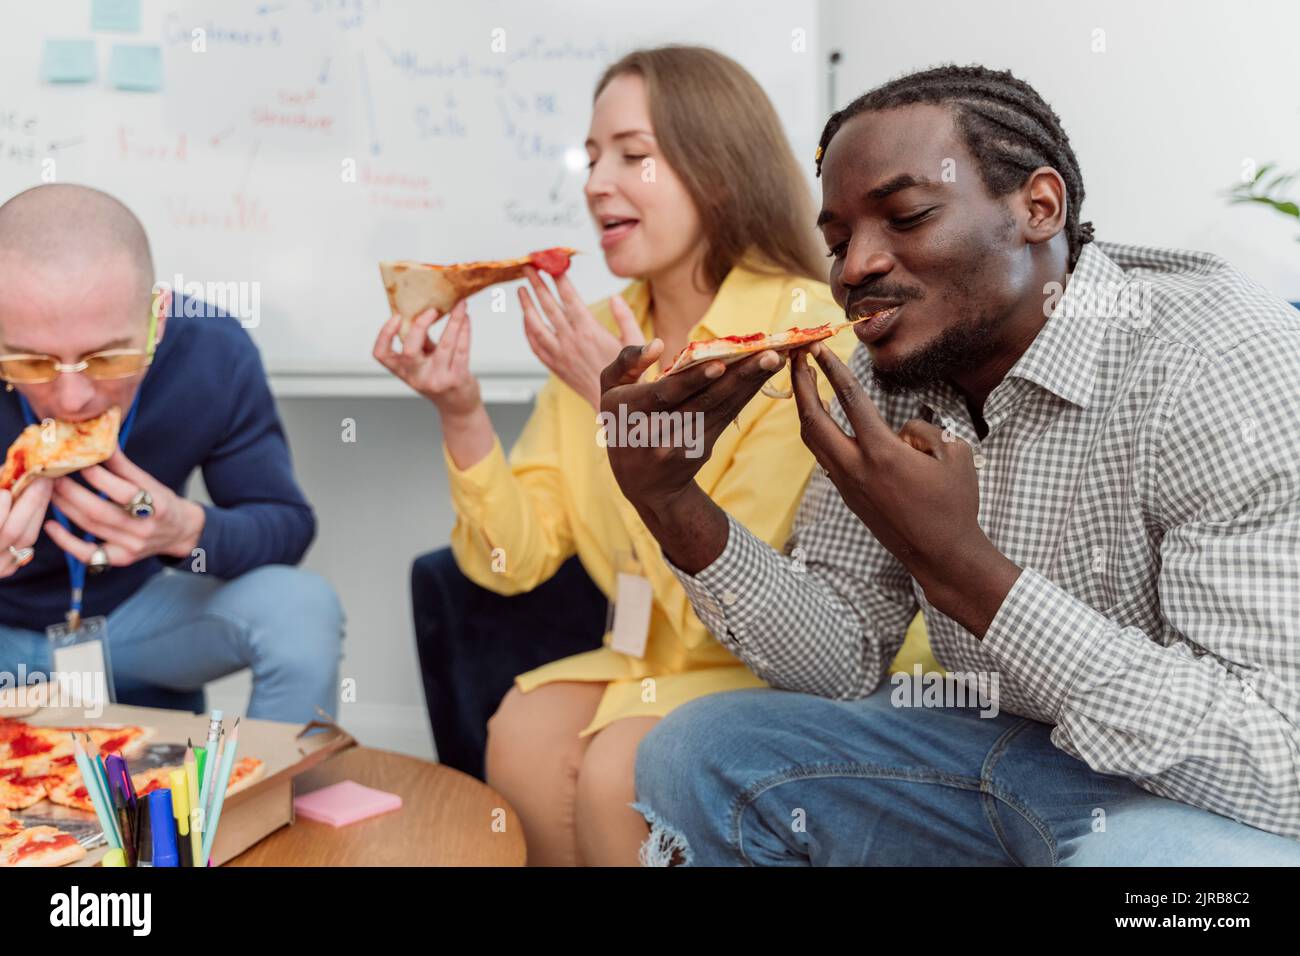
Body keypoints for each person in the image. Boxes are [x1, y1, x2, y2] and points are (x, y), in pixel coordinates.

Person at [599, 65, 1300, 865]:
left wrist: (964, 568)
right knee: (699, 749)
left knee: (1159, 875)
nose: (856, 266)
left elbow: (1278, 762)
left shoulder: (1216, 362)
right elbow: (843, 654)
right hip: (999, 747)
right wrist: (671, 504)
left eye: (906, 216)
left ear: (1039, 207)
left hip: (1196, 798)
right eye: (836, 242)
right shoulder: (887, 377)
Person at [376, 45, 859, 866]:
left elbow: (744, 578)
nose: (597, 181)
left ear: (717, 168)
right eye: (593, 156)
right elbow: (511, 562)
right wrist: (459, 414)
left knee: (615, 769)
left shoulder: (802, 331)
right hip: (645, 658)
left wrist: (620, 408)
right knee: (522, 729)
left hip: (779, 666)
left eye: (633, 156)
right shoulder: (592, 326)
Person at [0, 184, 343, 724]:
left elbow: (286, 524)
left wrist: (186, 532)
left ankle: (265, 801)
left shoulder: (211, 352)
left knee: (300, 608)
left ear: (156, 319)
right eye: (31, 363)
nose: (72, 398)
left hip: (132, 624)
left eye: (108, 358)